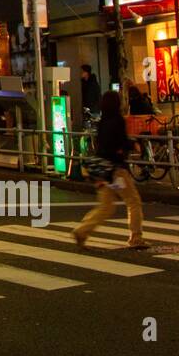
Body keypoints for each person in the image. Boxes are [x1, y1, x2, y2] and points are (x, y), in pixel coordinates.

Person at [73, 91, 146, 249]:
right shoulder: (118, 120)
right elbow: (121, 142)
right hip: (116, 171)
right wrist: (133, 145)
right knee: (133, 201)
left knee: (106, 206)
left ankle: (82, 230)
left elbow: (101, 145)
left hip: (102, 171)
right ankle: (136, 238)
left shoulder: (102, 121)